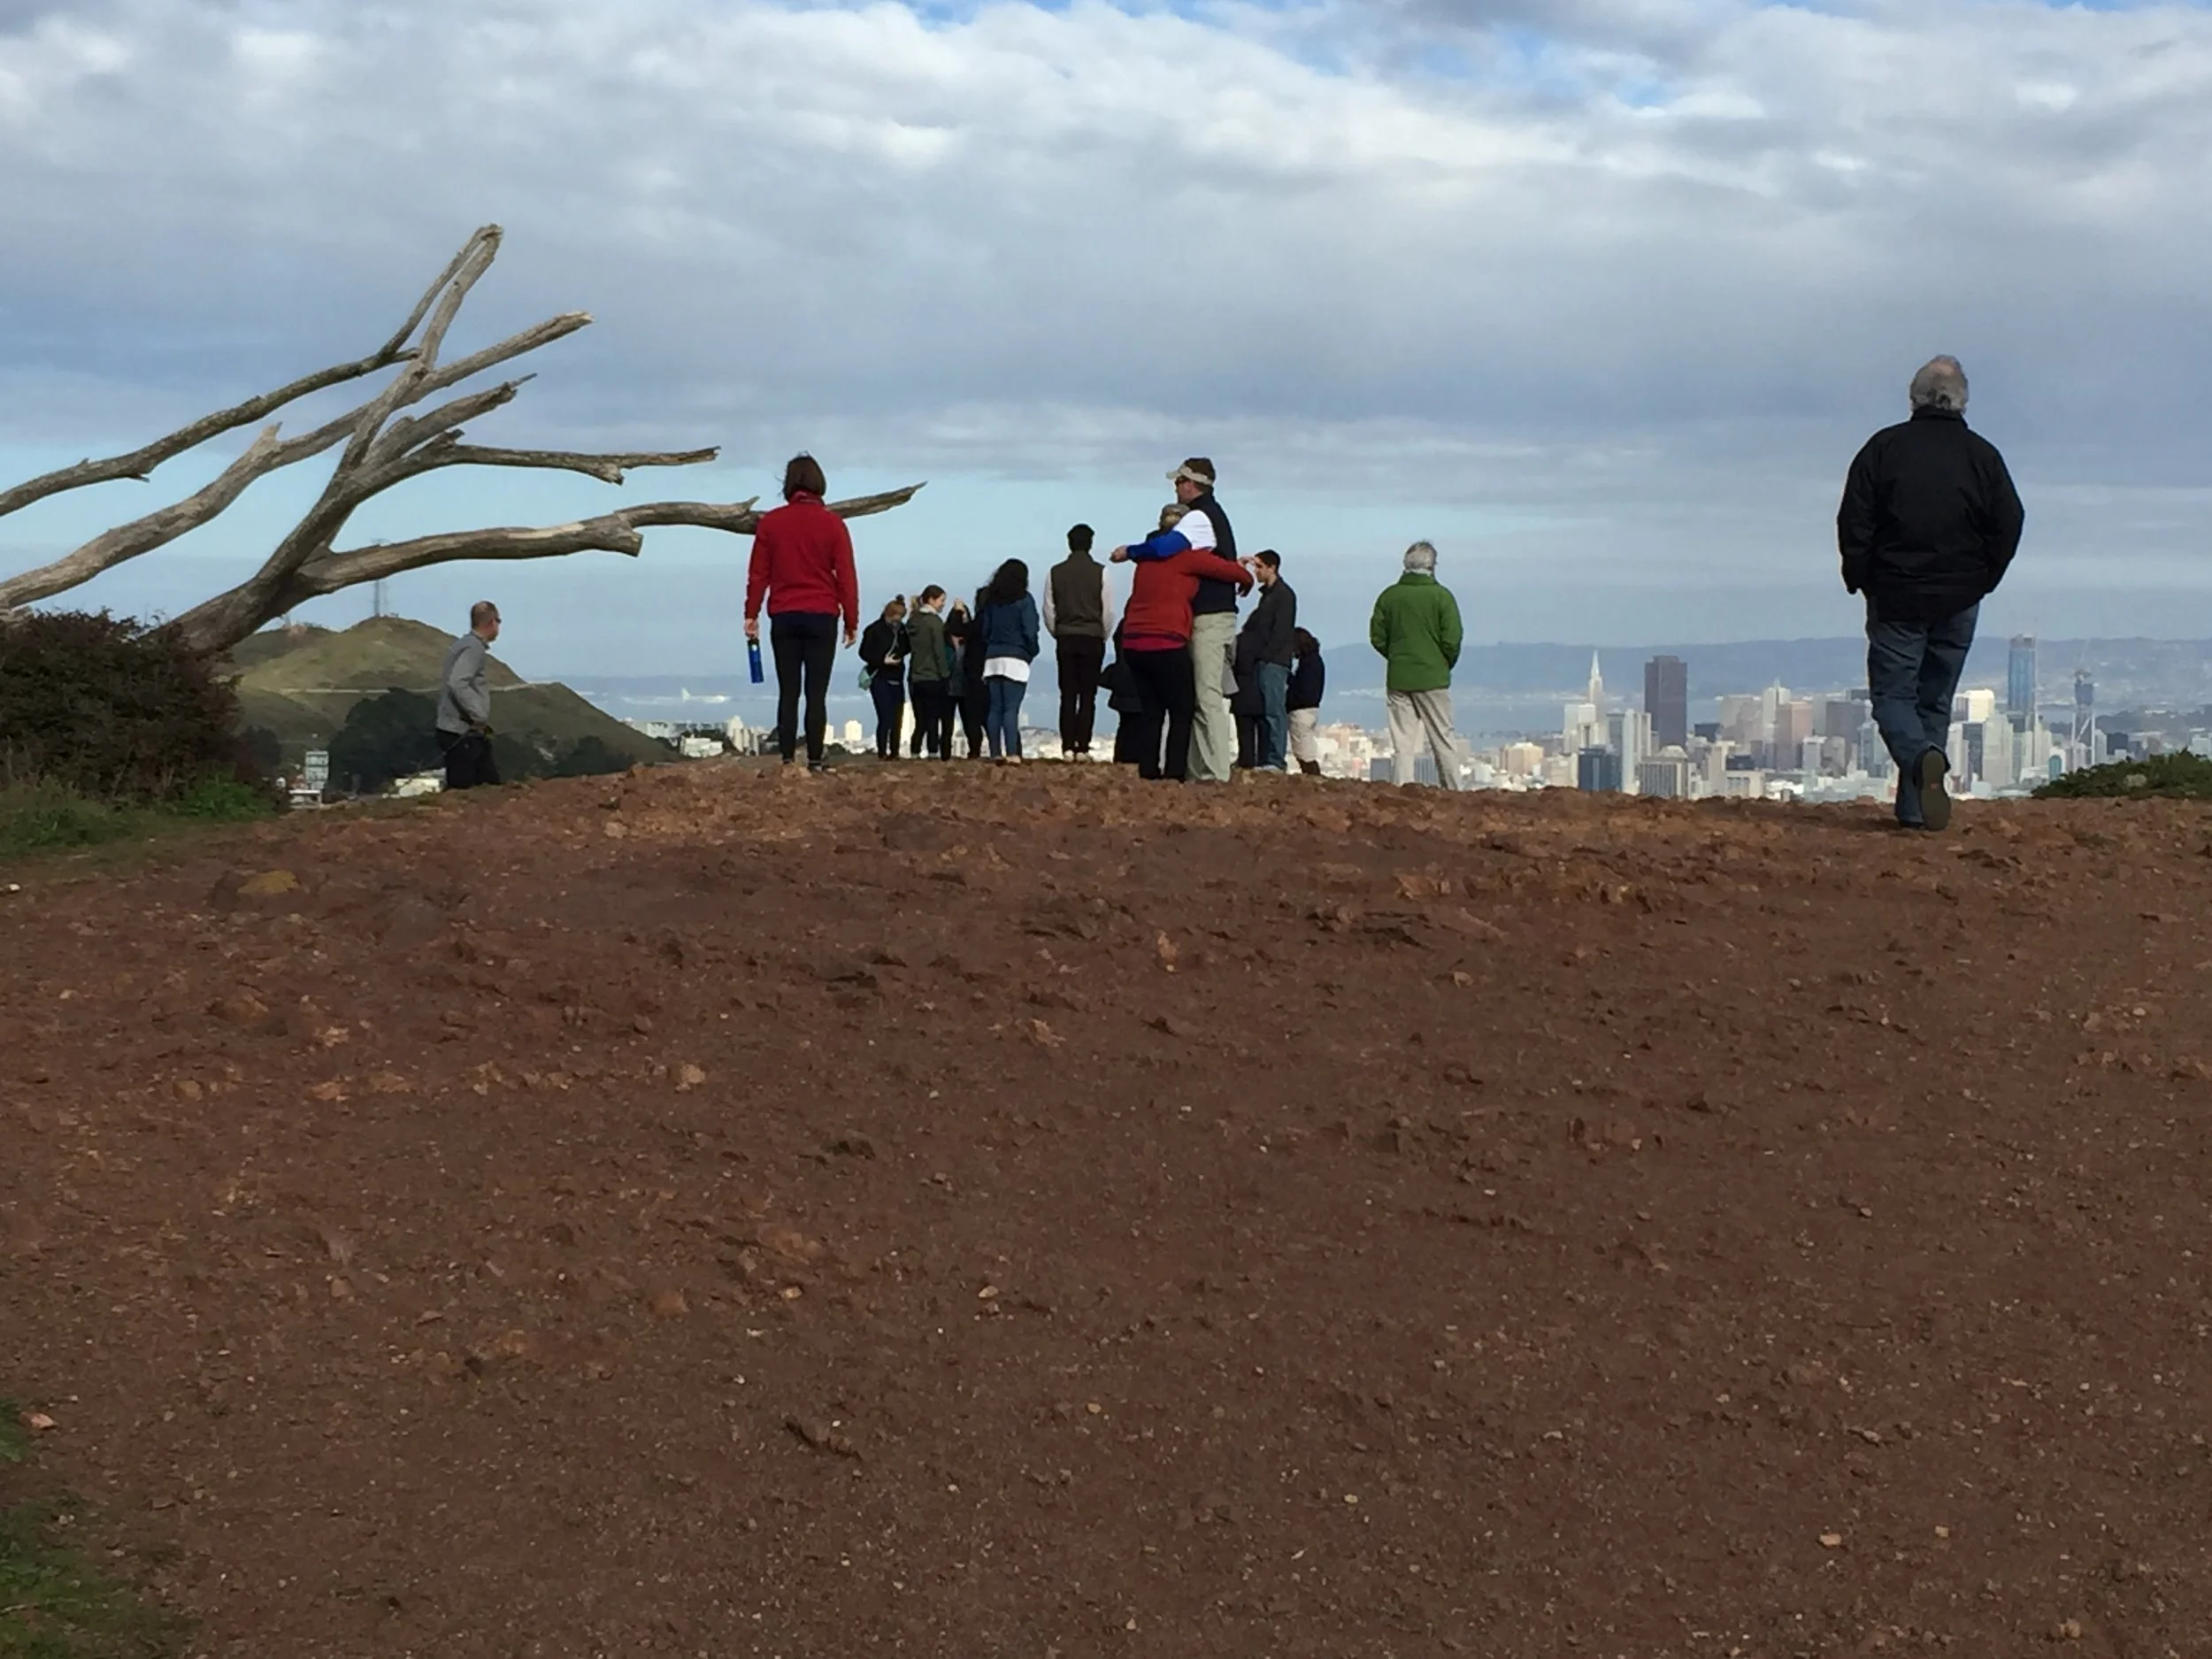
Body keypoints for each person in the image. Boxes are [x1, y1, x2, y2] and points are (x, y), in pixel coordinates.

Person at [1839, 355, 2025, 833]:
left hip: (1896, 595)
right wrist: (1983, 578)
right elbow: (2010, 521)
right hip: (1960, 598)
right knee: (1935, 701)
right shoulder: (1983, 457)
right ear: (1962, 401)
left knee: (1892, 697)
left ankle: (1920, 759)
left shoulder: (1883, 449)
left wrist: (1861, 575)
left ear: (1914, 398)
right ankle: (1917, 810)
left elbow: (1854, 519)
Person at [1110, 503, 1254, 780]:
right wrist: (1245, 577)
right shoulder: (1186, 558)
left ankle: (1148, 771)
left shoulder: (1144, 560)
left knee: (1151, 709)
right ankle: (1175, 773)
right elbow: (1228, 572)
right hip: (1166, 639)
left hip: (1134, 641)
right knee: (1182, 709)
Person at [745, 453, 859, 771]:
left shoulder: (771, 523)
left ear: (788, 484)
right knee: (816, 693)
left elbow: (758, 574)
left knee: (788, 691)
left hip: (784, 615)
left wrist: (751, 613)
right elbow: (846, 577)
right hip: (822, 615)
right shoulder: (833, 524)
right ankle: (815, 759)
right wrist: (851, 620)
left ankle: (786, 758)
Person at [1370, 541, 1468, 790]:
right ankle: (1453, 790)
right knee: (1442, 738)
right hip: (1433, 677)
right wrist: (1443, 663)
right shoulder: (1442, 597)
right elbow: (1452, 638)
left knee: (1402, 742)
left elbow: (1377, 636)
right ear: (1432, 566)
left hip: (1399, 676)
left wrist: (1396, 656)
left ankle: (1403, 789)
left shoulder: (1389, 596)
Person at [1044, 523, 1116, 759]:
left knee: (1067, 693)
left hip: (1066, 637)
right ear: (1091, 543)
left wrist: (1058, 632)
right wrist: (1102, 634)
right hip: (1092, 637)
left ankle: (1067, 746)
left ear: (1069, 543)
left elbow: (1049, 609)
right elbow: (1108, 610)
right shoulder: (1101, 572)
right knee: (1088, 695)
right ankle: (1083, 746)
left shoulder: (1055, 572)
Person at [976, 560, 1041, 763]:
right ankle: (1012, 752)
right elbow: (1030, 630)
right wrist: (1032, 651)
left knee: (995, 708)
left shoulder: (992, 601)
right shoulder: (1025, 600)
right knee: (1011, 708)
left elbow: (985, 631)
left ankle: (995, 752)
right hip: (1016, 658)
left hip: (993, 657)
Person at [435, 600, 502, 790]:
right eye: (498, 621)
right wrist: (478, 715)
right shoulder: (474, 648)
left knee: (486, 783)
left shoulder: (464, 644)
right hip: (461, 731)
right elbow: (458, 682)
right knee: (467, 789)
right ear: (491, 622)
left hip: (459, 729)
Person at [1239, 549, 1296, 771]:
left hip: (1273, 661)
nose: (1256, 571)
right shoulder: (1270, 596)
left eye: (1260, 567)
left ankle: (1275, 759)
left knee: (1273, 710)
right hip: (1266, 660)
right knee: (1266, 711)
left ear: (1272, 568)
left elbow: (1281, 631)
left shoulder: (1283, 595)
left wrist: (1265, 655)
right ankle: (1268, 758)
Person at [904, 587, 955, 758]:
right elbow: (938, 651)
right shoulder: (935, 623)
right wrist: (945, 674)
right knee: (933, 717)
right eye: (941, 600)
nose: (943, 604)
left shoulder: (912, 621)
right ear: (931, 600)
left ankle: (915, 751)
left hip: (915, 676)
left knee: (920, 719)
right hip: (932, 676)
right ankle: (933, 751)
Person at [858, 596, 909, 760]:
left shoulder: (902, 630)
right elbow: (864, 653)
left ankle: (894, 752)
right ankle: (882, 752)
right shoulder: (874, 630)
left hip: (897, 676)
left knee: (897, 717)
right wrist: (882, 660)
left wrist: (899, 655)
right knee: (885, 716)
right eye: (896, 616)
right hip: (879, 676)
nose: (898, 620)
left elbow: (907, 647)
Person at [946, 600, 988, 759]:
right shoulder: (972, 638)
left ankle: (975, 749)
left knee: (971, 721)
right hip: (956, 684)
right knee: (955, 722)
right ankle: (947, 751)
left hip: (965, 684)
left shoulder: (972, 637)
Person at [1287, 627, 1325, 776]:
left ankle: (1313, 778)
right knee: (1306, 750)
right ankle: (1313, 778)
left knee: (1304, 754)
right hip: (1312, 709)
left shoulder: (1308, 663)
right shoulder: (1315, 660)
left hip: (1301, 710)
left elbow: (1303, 690)